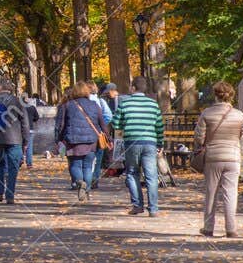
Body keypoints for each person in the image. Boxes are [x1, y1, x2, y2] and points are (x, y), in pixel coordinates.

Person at [193, 81, 243, 238]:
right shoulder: (239, 115)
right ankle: (231, 229)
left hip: (213, 158)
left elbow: (199, 137)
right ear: (231, 96)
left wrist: (204, 144)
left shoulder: (207, 113)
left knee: (211, 193)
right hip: (233, 158)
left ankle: (208, 227)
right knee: (230, 193)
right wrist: (239, 150)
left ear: (215, 95)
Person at [111, 77, 164, 216]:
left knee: (132, 173)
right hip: (150, 142)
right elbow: (159, 126)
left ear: (133, 88)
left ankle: (137, 205)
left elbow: (116, 124)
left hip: (131, 142)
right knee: (151, 175)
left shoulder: (125, 103)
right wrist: (160, 143)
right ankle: (153, 208)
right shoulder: (153, 104)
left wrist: (124, 126)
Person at [55, 81, 107, 204]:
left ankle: (79, 182)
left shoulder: (67, 105)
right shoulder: (94, 105)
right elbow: (102, 123)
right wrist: (108, 137)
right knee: (88, 166)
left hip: (73, 140)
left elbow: (60, 125)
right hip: (91, 141)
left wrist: (58, 139)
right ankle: (86, 189)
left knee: (75, 165)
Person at [85, 83, 114, 190]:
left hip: (86, 133)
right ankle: (95, 180)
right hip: (99, 134)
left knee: (87, 159)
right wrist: (101, 126)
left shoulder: (81, 102)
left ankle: (86, 180)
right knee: (97, 158)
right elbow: (109, 116)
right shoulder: (101, 101)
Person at [22, 94, 42, 168]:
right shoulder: (32, 107)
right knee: (29, 147)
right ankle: (29, 163)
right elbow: (37, 117)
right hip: (30, 129)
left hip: (21, 130)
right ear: (27, 99)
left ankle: (20, 160)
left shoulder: (19, 108)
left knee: (20, 145)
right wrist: (32, 120)